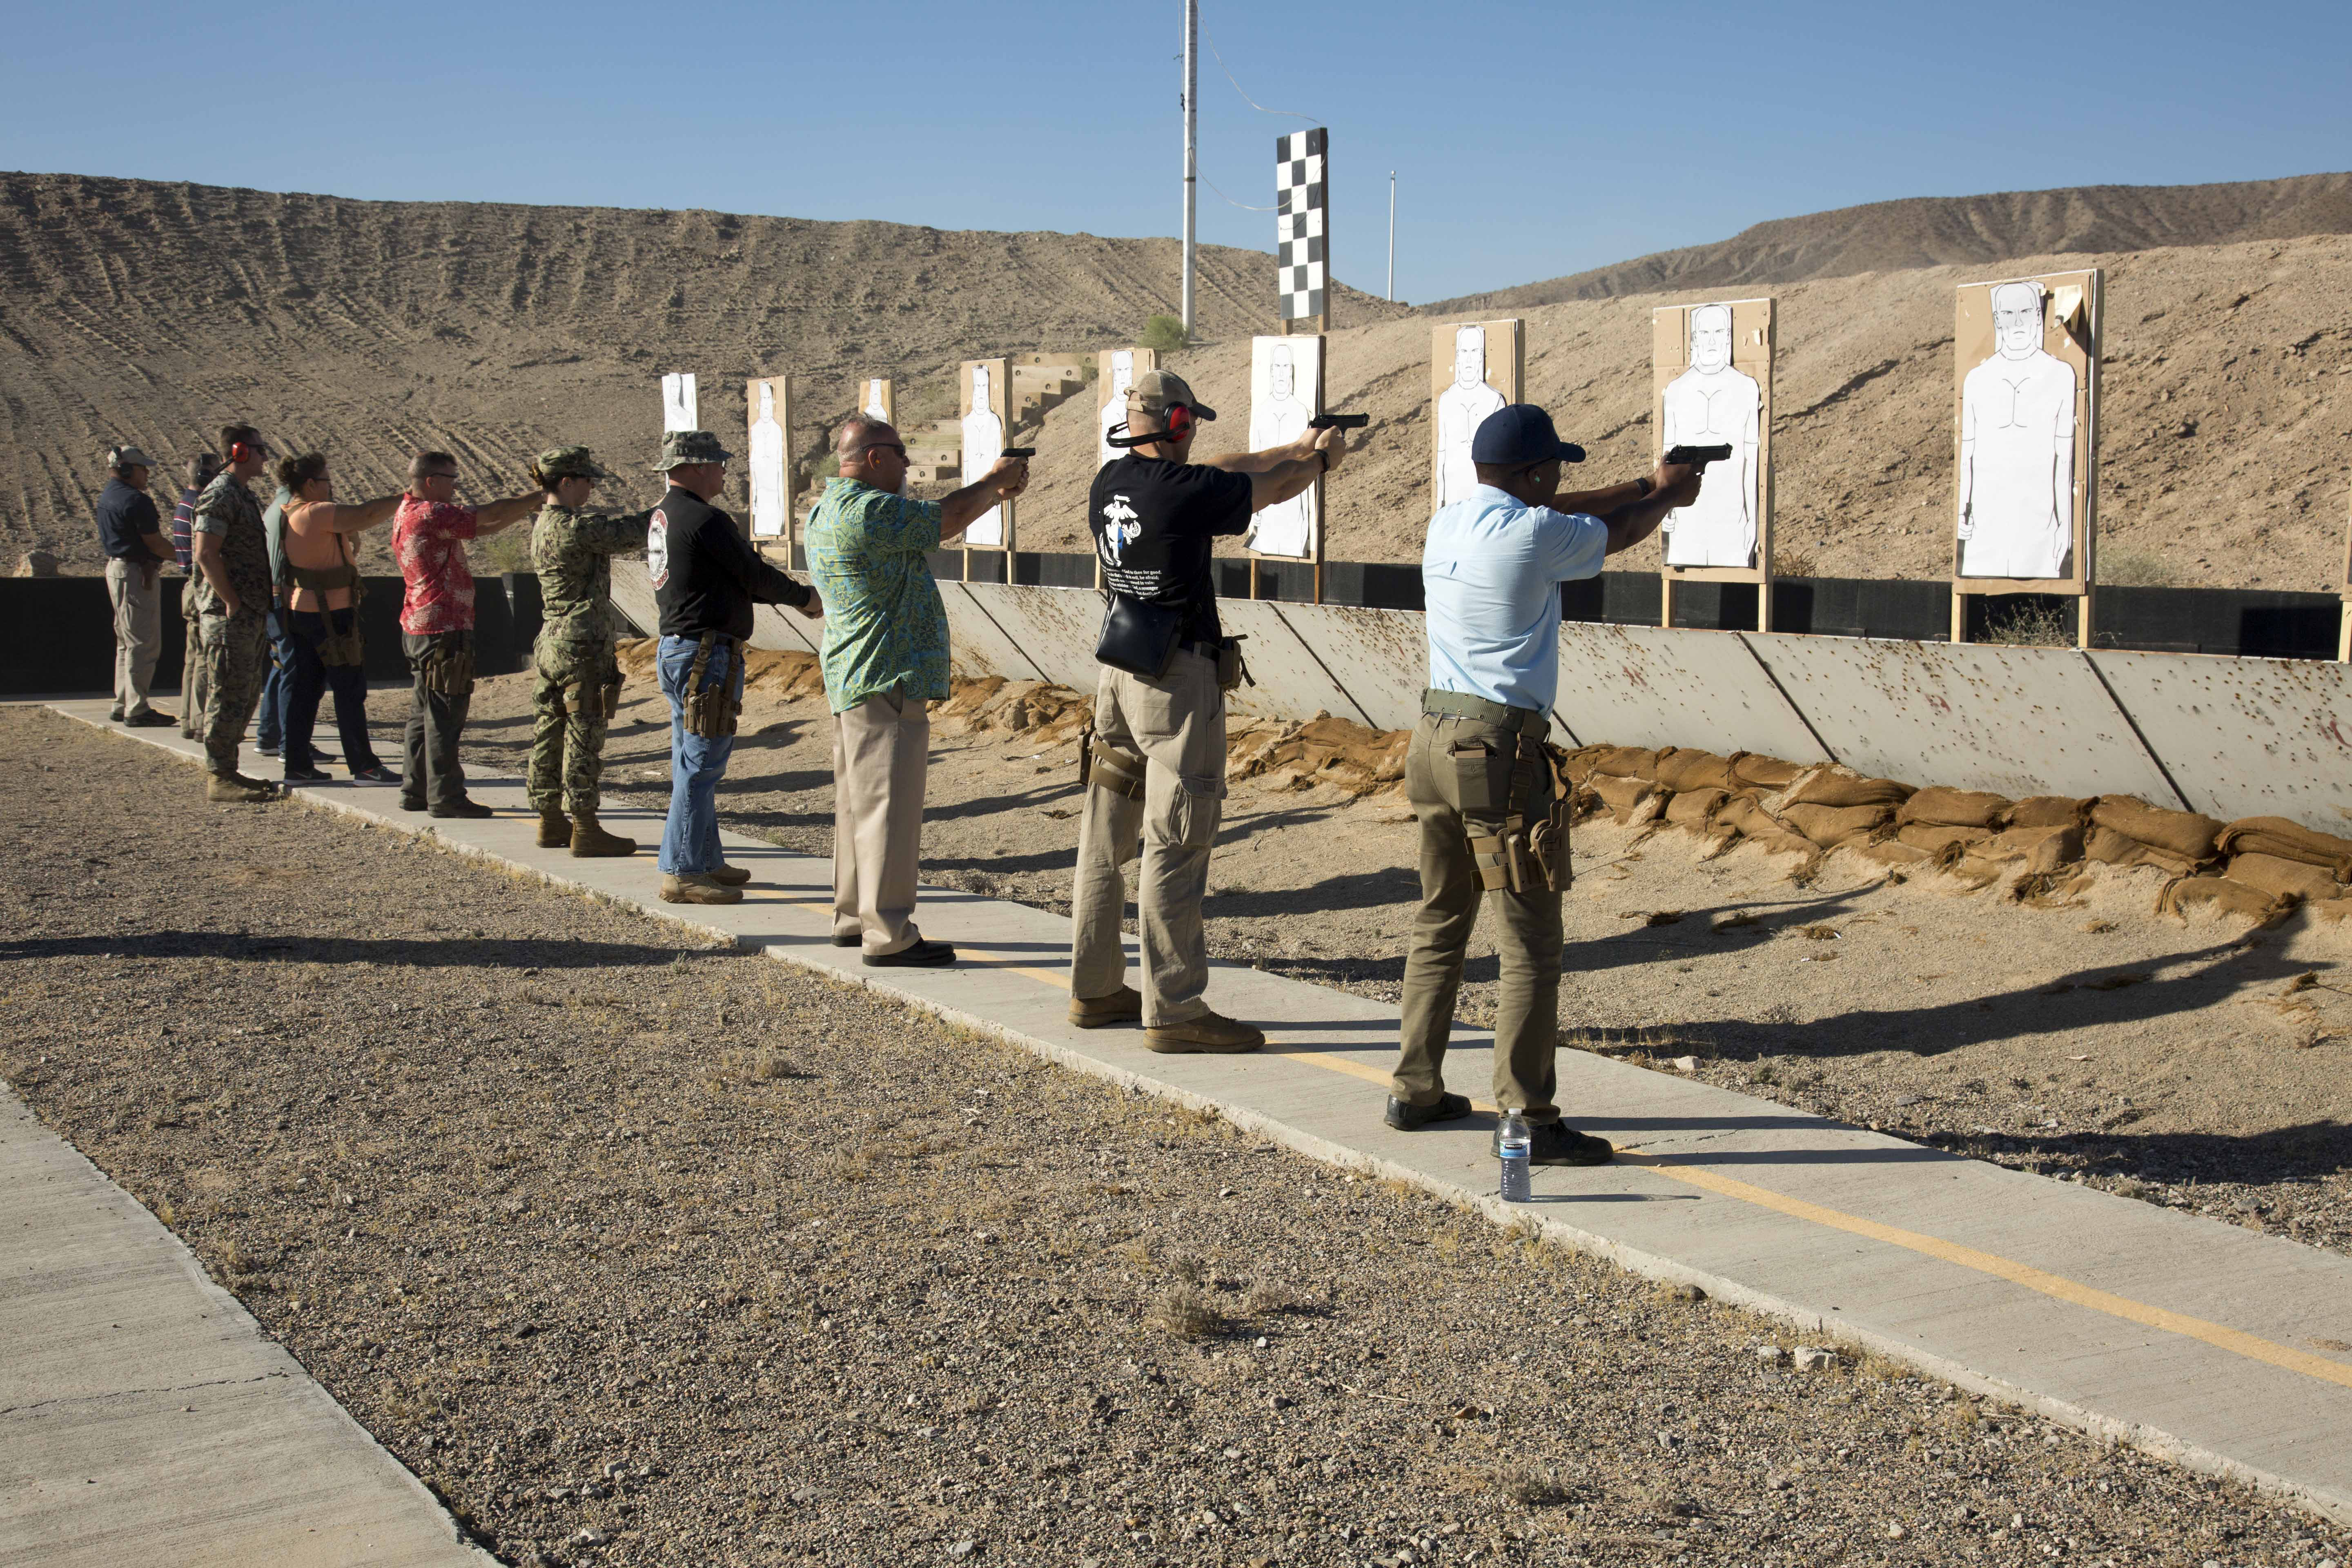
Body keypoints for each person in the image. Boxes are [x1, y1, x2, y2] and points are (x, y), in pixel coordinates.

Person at [1387, 404, 1700, 1165]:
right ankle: (1527, 1116)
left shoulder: (1449, 523)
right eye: (1553, 466)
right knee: (1529, 942)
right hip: (1497, 753)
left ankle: (1415, 1089)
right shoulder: (1535, 533)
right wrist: (1667, 496)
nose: (1560, 478)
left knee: (1440, 920)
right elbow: (1620, 533)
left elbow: (1557, 506)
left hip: (1431, 738)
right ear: (1532, 474)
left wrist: (1637, 482)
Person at [1068, 370, 1344, 1051]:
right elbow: (1271, 489)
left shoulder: (1113, 481)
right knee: (1178, 839)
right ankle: (1177, 1008)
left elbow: (1223, 470)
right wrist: (1318, 460)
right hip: (1176, 685)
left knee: (1106, 835)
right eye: (1191, 426)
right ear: (1180, 421)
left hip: (1118, 676)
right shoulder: (1186, 491)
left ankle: (1096, 987)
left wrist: (1292, 444)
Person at [804, 414, 1029, 965]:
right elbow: (946, 517)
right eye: (901, 454)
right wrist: (992, 482)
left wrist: (994, 493)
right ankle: (890, 933)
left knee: (859, 807)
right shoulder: (868, 510)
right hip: (887, 673)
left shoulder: (825, 509)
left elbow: (941, 522)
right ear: (875, 458)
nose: (908, 464)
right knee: (890, 809)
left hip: (856, 674)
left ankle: (854, 915)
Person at [647, 429, 821, 904]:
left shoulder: (668, 515)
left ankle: (703, 858)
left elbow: (740, 580)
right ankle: (683, 871)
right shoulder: (705, 518)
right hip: (706, 656)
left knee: (693, 760)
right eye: (719, 464)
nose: (725, 471)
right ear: (698, 466)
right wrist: (805, 599)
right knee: (700, 766)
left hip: (685, 651)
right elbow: (754, 574)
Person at [390, 451, 540, 817]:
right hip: (444, 630)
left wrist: (520, 511)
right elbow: (488, 513)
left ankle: (417, 791)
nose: (456, 486)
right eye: (451, 479)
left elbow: (485, 527)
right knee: (445, 715)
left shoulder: (408, 512)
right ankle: (446, 797)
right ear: (431, 481)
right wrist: (537, 497)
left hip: (422, 626)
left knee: (423, 712)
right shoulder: (431, 512)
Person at [525, 446, 651, 857]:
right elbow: (632, 532)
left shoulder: (542, 525)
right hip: (581, 643)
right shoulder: (576, 528)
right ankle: (584, 825)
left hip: (552, 641)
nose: (591, 486)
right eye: (585, 479)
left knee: (549, 730)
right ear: (566, 483)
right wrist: (671, 507)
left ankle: (549, 819)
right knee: (584, 733)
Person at [273, 452, 403, 784]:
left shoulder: (288, 512)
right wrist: (408, 497)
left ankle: (298, 766)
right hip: (331, 615)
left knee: (305, 690)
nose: (332, 488)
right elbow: (367, 514)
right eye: (328, 482)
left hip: (304, 611)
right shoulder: (314, 513)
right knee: (349, 690)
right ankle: (363, 765)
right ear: (311, 484)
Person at [1958, 279, 2076, 579]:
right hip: (1985, 525)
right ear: (1998, 319)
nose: (2019, 322)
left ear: (2038, 316)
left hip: (2040, 523)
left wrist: (2066, 524)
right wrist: (1963, 511)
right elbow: (1967, 456)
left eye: (2026, 311)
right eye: (2009, 314)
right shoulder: (1977, 379)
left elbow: (2065, 459)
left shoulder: (2061, 375)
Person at [187, 424, 280, 802]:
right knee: (226, 694)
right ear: (240, 452)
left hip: (248, 611)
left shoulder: (241, 494)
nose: (265, 457)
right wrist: (232, 602)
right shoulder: (221, 494)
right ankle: (219, 775)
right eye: (260, 450)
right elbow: (206, 554)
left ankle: (228, 770)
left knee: (242, 695)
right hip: (230, 615)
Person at [1659, 303, 1762, 568]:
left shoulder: (1746, 388)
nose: (1713, 340)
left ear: (1729, 336)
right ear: (1694, 338)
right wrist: (1666, 511)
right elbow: (1666, 462)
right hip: (1687, 521)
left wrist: (1752, 523)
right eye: (1705, 333)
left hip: (1731, 516)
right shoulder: (1676, 391)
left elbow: (1752, 464)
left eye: (1719, 331)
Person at [95, 444, 176, 728]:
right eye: (143, 468)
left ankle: (123, 703)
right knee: (143, 644)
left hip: (119, 570)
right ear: (128, 469)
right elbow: (155, 543)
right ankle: (137, 709)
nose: (147, 474)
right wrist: (186, 555)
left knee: (126, 642)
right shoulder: (137, 501)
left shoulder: (109, 495)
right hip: (135, 573)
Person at [173, 452, 221, 740]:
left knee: (193, 657)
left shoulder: (184, 504)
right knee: (205, 657)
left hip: (189, 585)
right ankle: (202, 721)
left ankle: (188, 720)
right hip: (201, 584)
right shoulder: (201, 506)